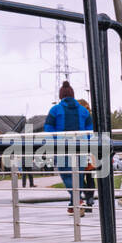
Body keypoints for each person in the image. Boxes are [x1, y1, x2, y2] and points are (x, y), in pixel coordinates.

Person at [44, 81, 95, 214]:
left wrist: (54, 143)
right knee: (78, 176)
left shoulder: (55, 110)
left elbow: (48, 129)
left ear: (61, 96)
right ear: (73, 95)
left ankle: (77, 202)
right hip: (81, 148)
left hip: (63, 148)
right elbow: (90, 130)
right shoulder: (84, 111)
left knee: (67, 176)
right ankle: (74, 203)